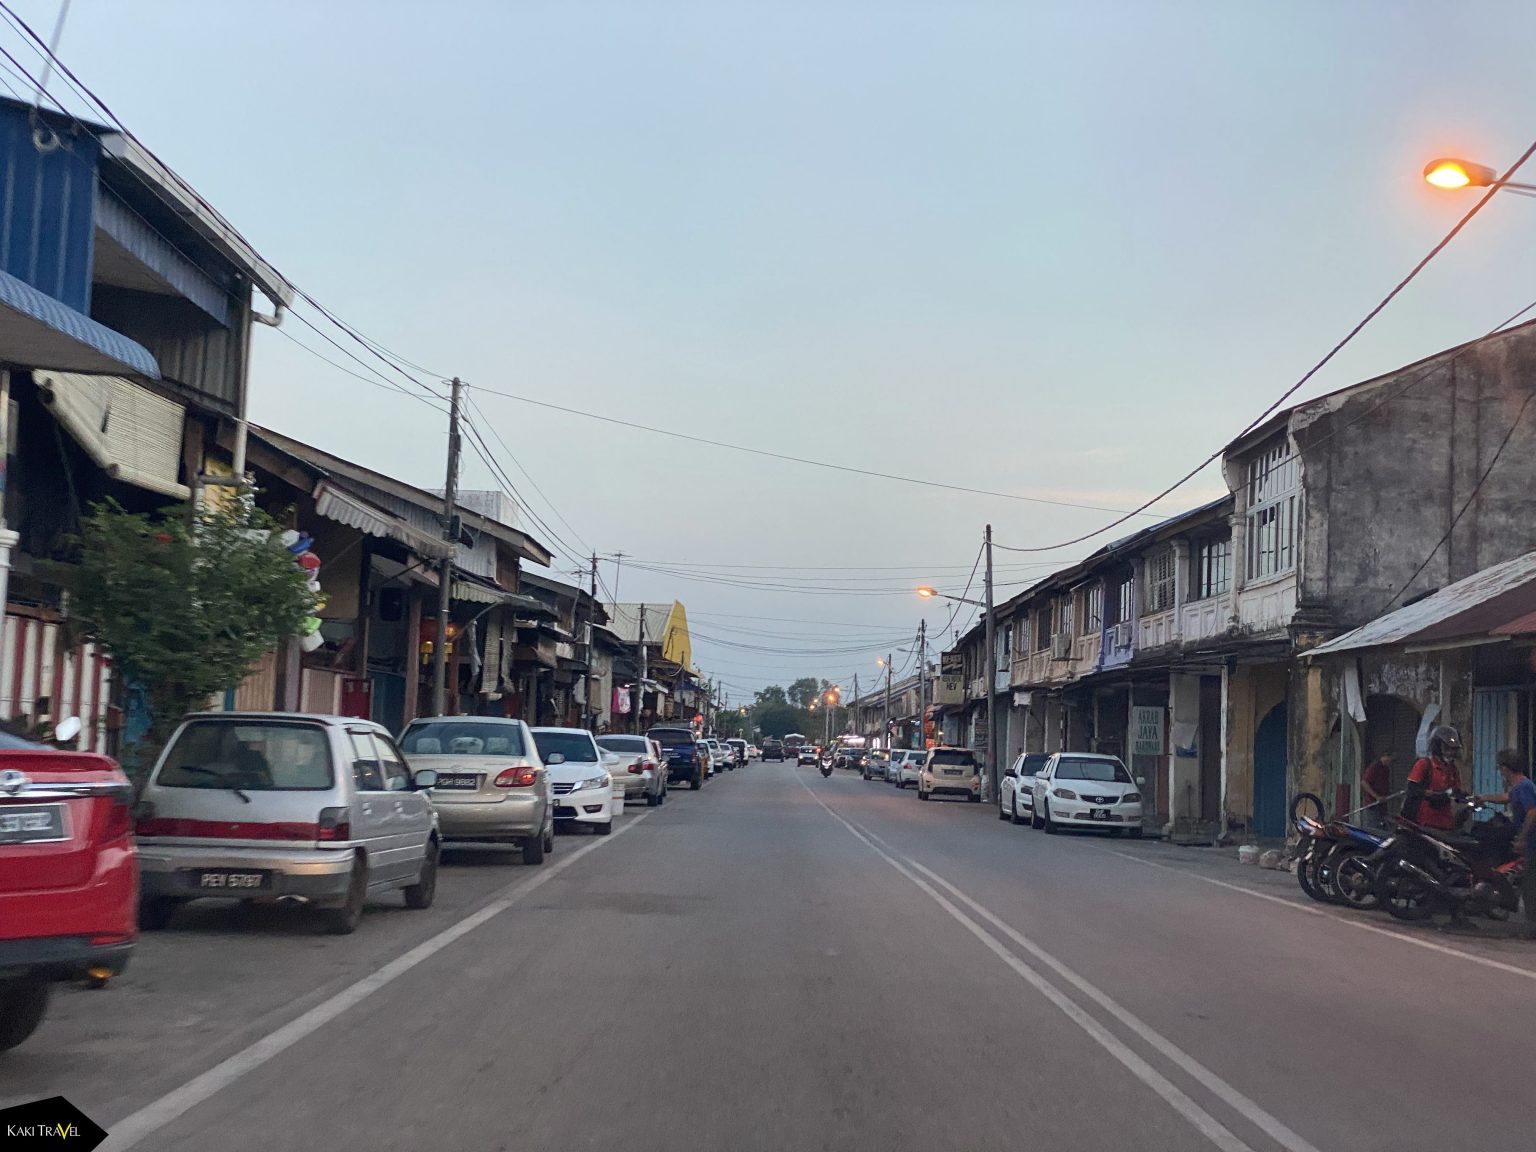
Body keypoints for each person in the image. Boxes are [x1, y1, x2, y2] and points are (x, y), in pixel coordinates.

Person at [1402, 725, 1464, 831]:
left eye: (1453, 749)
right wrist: (1430, 795)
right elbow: (1412, 789)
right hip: (1423, 822)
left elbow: (1456, 791)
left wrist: (1467, 798)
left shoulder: (1453, 769)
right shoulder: (1424, 764)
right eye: (1446, 748)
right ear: (1437, 746)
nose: (1450, 752)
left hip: (1445, 822)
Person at [1361, 752, 1393, 827]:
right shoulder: (1375, 767)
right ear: (1385, 756)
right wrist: (1376, 796)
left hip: (1382, 807)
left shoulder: (1386, 769)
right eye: (1391, 758)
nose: (1391, 761)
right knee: (1371, 829)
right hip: (1372, 805)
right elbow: (1364, 782)